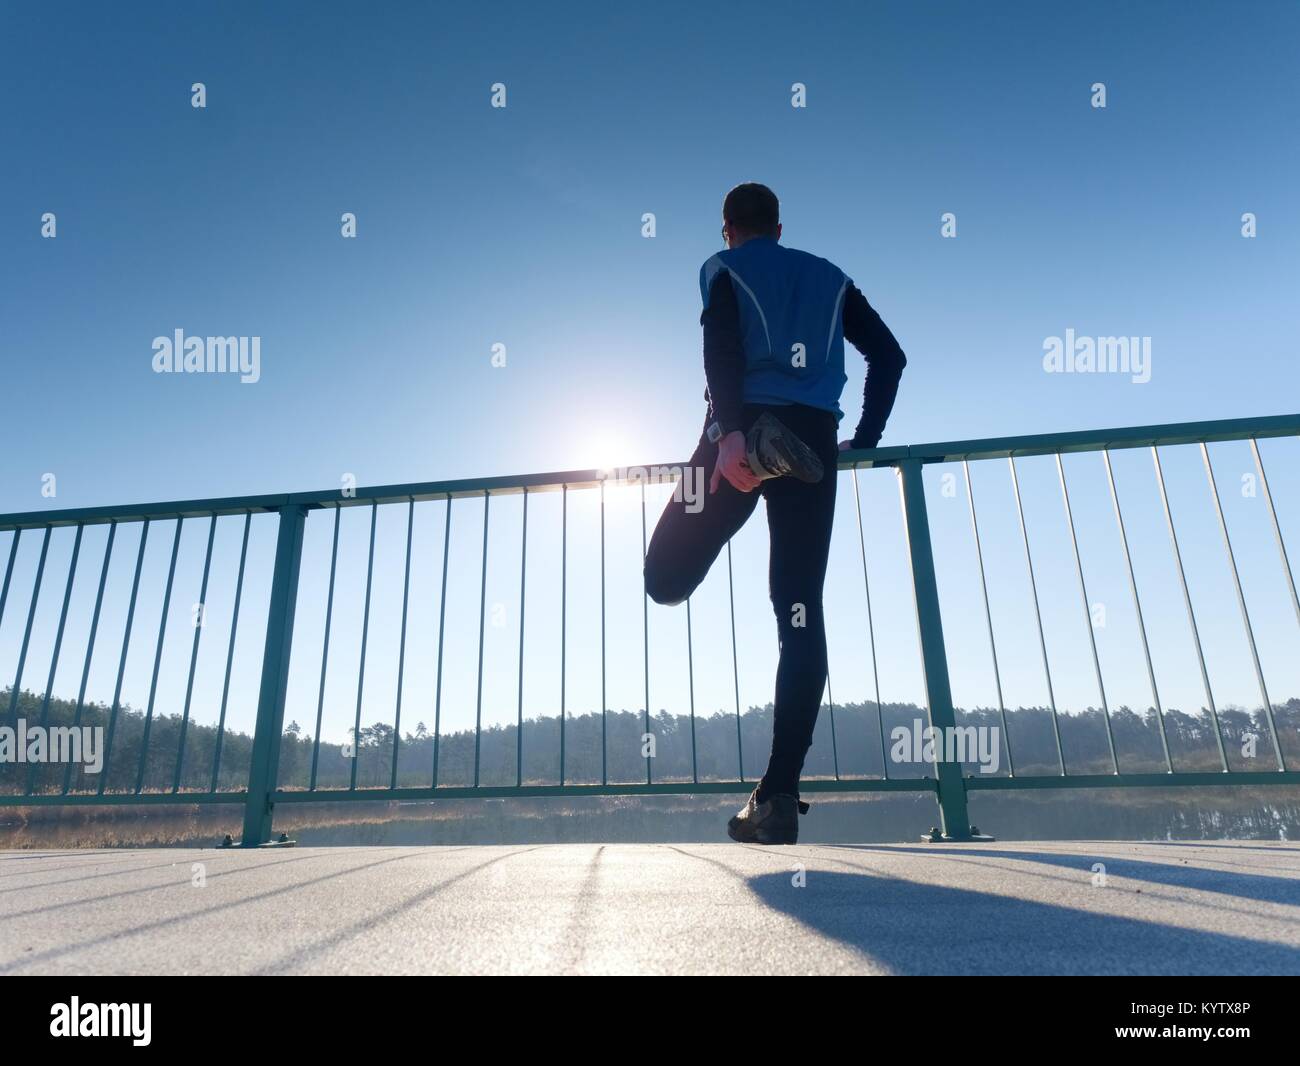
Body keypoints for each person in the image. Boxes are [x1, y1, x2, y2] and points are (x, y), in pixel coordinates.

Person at [643, 182, 907, 844]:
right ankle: (778, 797)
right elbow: (890, 356)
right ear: (780, 228)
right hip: (816, 442)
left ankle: (759, 453)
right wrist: (864, 440)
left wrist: (730, 432)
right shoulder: (830, 278)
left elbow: (722, 346)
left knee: (664, 577)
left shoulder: (724, 267)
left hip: (735, 435)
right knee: (799, 610)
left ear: (728, 228)